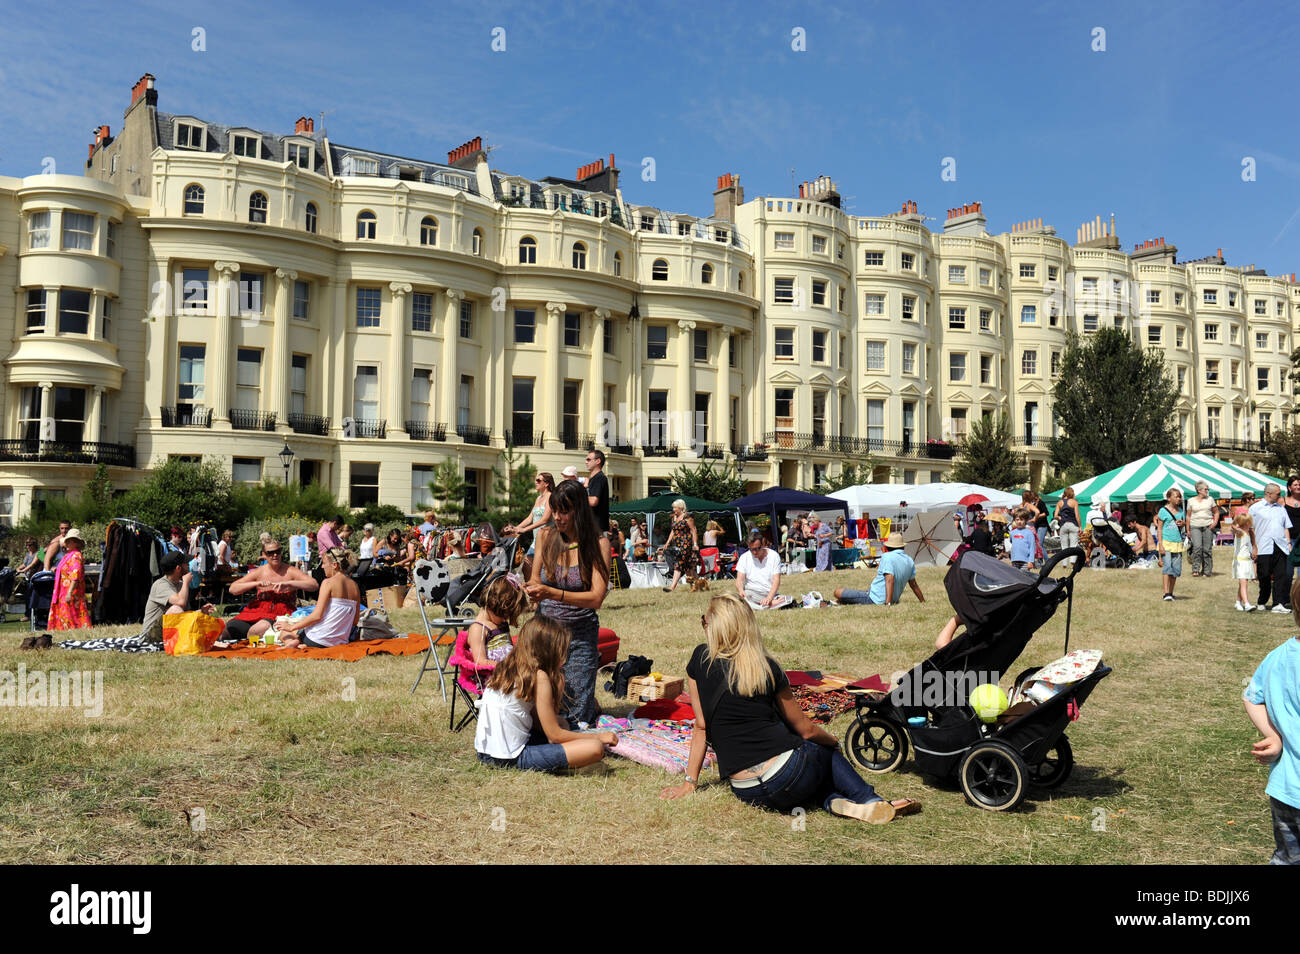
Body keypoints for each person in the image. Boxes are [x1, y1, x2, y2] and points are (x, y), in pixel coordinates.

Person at [660, 593, 919, 824]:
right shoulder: (766, 668)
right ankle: (869, 799)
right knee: (823, 751)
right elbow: (805, 730)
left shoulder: (699, 659)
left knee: (805, 782)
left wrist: (689, 783)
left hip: (746, 788)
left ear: (714, 628)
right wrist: (833, 741)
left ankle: (833, 802)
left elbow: (701, 726)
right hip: (788, 773)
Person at [475, 616, 617, 773]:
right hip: (510, 757)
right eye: (561, 651)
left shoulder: (508, 667)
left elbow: (538, 720)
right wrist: (599, 737)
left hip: (485, 752)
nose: (563, 657)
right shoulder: (540, 676)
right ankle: (565, 768)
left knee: (562, 722)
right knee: (595, 748)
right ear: (548, 651)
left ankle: (564, 761)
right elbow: (554, 736)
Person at [525, 479, 611, 728]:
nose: (559, 518)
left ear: (579, 511)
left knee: (575, 714)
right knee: (540, 707)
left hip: (580, 635)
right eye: (556, 510)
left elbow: (596, 598)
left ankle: (587, 714)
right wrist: (531, 590)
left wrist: (551, 593)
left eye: (565, 511)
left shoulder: (597, 544)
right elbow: (534, 577)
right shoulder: (545, 535)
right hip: (545, 634)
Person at [1242, 582, 1300, 864]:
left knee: (1287, 858)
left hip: (1285, 790)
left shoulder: (1277, 657)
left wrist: (1272, 735)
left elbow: (1251, 697)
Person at [225, 539, 319, 642]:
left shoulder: (290, 571)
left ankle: (252, 640)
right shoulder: (259, 571)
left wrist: (289, 583)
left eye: (277, 551)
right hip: (256, 611)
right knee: (227, 629)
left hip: (280, 614)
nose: (275, 555)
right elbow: (233, 589)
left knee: (255, 631)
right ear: (264, 554)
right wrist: (256, 583)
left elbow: (314, 585)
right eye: (270, 553)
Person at [279, 548, 361, 649]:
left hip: (318, 639)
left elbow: (317, 615)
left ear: (334, 565)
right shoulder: (355, 586)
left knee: (284, 633)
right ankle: (301, 644)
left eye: (324, 563)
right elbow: (355, 621)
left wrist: (291, 627)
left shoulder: (328, 583)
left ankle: (293, 643)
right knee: (302, 629)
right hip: (339, 641)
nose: (322, 566)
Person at [833, 532, 925, 606]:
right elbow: (914, 584)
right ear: (903, 546)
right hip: (891, 598)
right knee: (858, 594)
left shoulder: (887, 557)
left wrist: (888, 603)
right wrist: (922, 601)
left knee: (838, 592)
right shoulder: (909, 560)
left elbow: (890, 580)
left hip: (876, 599)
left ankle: (843, 600)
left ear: (888, 546)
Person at [467, 575, 531, 665]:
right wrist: (507, 667)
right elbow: (481, 662)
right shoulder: (478, 629)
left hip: (509, 673)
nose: (506, 619)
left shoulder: (501, 624)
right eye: (505, 615)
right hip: (492, 676)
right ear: (494, 604)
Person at [1250, 483, 1294, 613]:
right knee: (1264, 575)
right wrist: (1253, 546)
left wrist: (1288, 543)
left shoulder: (1281, 509)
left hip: (1280, 546)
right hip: (1263, 546)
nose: (1280, 496)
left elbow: (1286, 527)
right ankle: (1262, 600)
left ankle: (1278, 603)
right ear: (1269, 494)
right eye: (1278, 493)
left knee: (1281, 575)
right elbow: (1251, 529)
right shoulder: (1255, 508)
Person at [48, 528, 91, 631]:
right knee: (66, 615)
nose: (66, 543)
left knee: (73, 616)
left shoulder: (76, 556)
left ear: (75, 543)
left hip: (71, 593)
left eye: (69, 541)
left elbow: (75, 576)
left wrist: (69, 592)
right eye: (66, 541)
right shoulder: (68, 556)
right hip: (63, 592)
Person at [734, 529, 788, 609]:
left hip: (770, 593)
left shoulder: (774, 556)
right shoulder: (744, 557)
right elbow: (740, 579)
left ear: (763, 544)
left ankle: (763, 605)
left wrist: (769, 598)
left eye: (757, 549)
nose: (754, 552)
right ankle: (768, 605)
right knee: (742, 599)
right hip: (752, 592)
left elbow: (776, 580)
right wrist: (741, 590)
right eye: (751, 549)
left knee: (786, 600)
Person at [504, 472, 555, 548]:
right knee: (527, 560)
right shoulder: (538, 498)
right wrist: (516, 528)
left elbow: (544, 520)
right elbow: (529, 519)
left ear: (546, 483)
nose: (536, 482)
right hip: (536, 540)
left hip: (547, 540)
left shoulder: (550, 497)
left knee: (529, 559)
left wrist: (524, 530)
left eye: (538, 480)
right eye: (536, 480)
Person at [1155, 488, 1187, 602]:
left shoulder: (1181, 512)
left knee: (1176, 570)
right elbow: (1159, 529)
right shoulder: (1163, 511)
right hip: (1166, 542)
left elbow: (1183, 526)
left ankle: (1171, 593)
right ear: (1169, 498)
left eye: (1179, 497)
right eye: (1176, 496)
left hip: (1177, 543)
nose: (1178, 499)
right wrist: (1161, 545)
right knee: (1167, 567)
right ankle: (1166, 593)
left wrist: (1183, 524)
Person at [662, 499, 699, 593]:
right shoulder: (674, 517)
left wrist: (695, 544)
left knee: (678, 564)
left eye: (675, 507)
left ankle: (672, 587)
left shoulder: (687, 517)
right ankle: (697, 585)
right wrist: (667, 542)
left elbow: (693, 530)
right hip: (677, 545)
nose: (673, 509)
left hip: (686, 544)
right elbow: (673, 531)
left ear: (681, 507)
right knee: (688, 567)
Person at [1186, 480, 1220, 577]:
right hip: (1195, 526)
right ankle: (1195, 569)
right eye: (1205, 489)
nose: (1207, 491)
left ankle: (1207, 571)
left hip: (1208, 526)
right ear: (1199, 490)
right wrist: (1187, 529)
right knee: (1197, 547)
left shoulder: (1210, 499)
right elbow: (1188, 516)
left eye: (1207, 489)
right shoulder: (1191, 501)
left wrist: (1215, 522)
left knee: (1207, 549)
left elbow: (1216, 512)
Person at [1233, 513, 1259, 612]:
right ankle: (1247, 603)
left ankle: (1238, 602)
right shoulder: (1239, 533)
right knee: (1244, 582)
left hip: (1247, 560)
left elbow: (1252, 542)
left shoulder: (1248, 533)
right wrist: (1236, 524)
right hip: (1240, 561)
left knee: (1243, 582)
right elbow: (1234, 528)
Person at [584, 449, 609, 533]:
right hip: (592, 525)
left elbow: (593, 501)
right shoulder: (594, 479)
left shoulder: (599, 478)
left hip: (596, 527)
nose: (586, 462)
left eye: (588, 459)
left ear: (598, 461)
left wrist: (577, 495)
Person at [1056, 488, 1082, 555]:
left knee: (1064, 546)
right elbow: (1077, 516)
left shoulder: (1059, 502)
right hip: (1073, 524)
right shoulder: (1074, 502)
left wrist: (1060, 518)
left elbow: (1055, 516)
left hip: (1063, 525)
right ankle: (1073, 561)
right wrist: (1080, 527)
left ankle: (1064, 563)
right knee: (1073, 545)